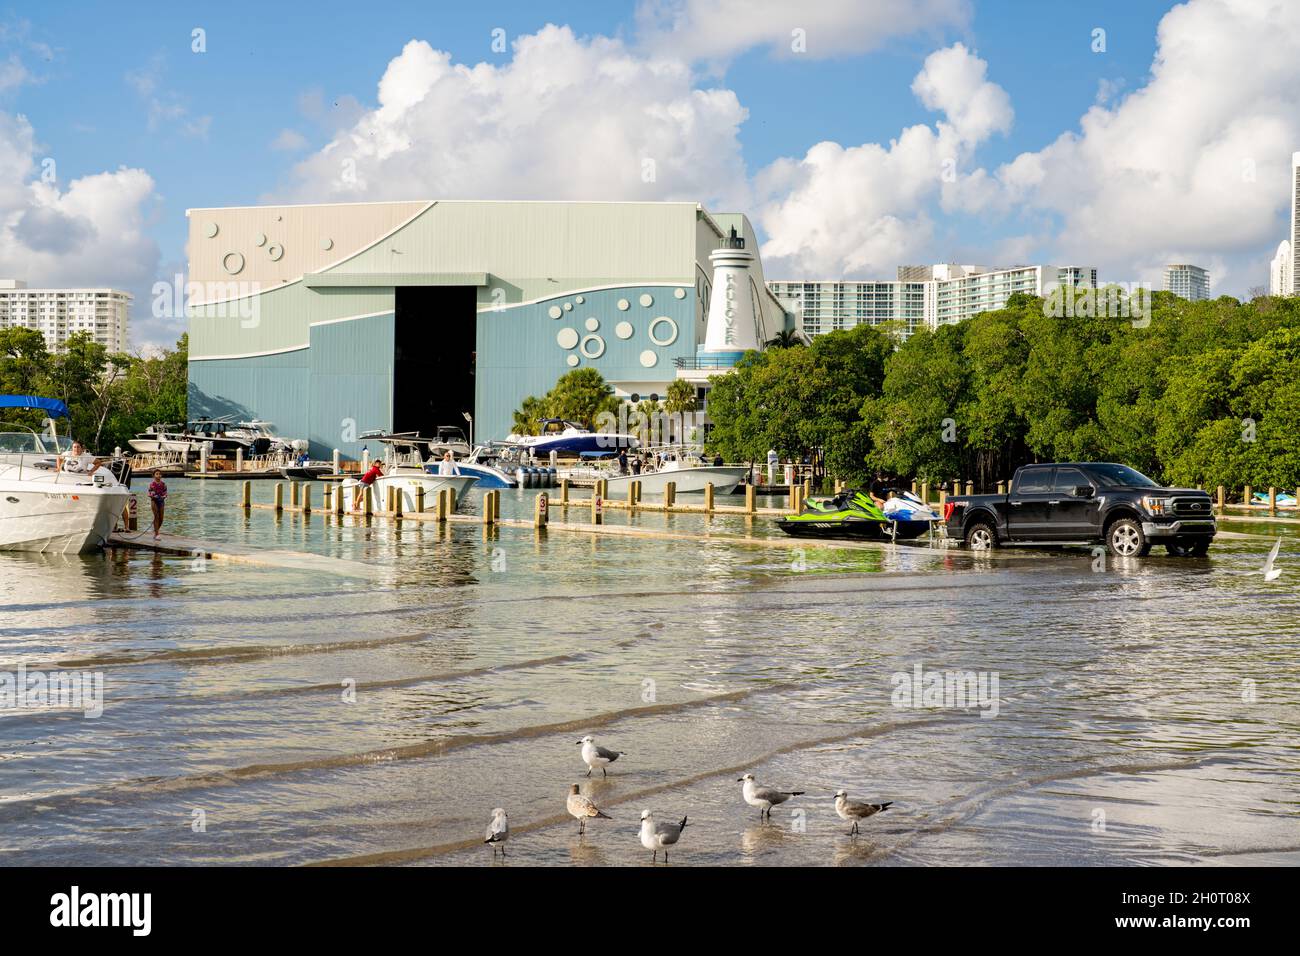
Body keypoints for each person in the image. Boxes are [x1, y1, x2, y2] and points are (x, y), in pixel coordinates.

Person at [147, 469, 168, 540]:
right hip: (154, 501)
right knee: (156, 517)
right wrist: (152, 496)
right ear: (154, 476)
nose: (158, 475)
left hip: (161, 501)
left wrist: (164, 496)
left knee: (161, 519)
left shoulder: (163, 484)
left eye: (159, 474)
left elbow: (165, 493)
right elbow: (149, 493)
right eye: (157, 474)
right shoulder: (152, 484)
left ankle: (156, 531)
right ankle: (156, 534)